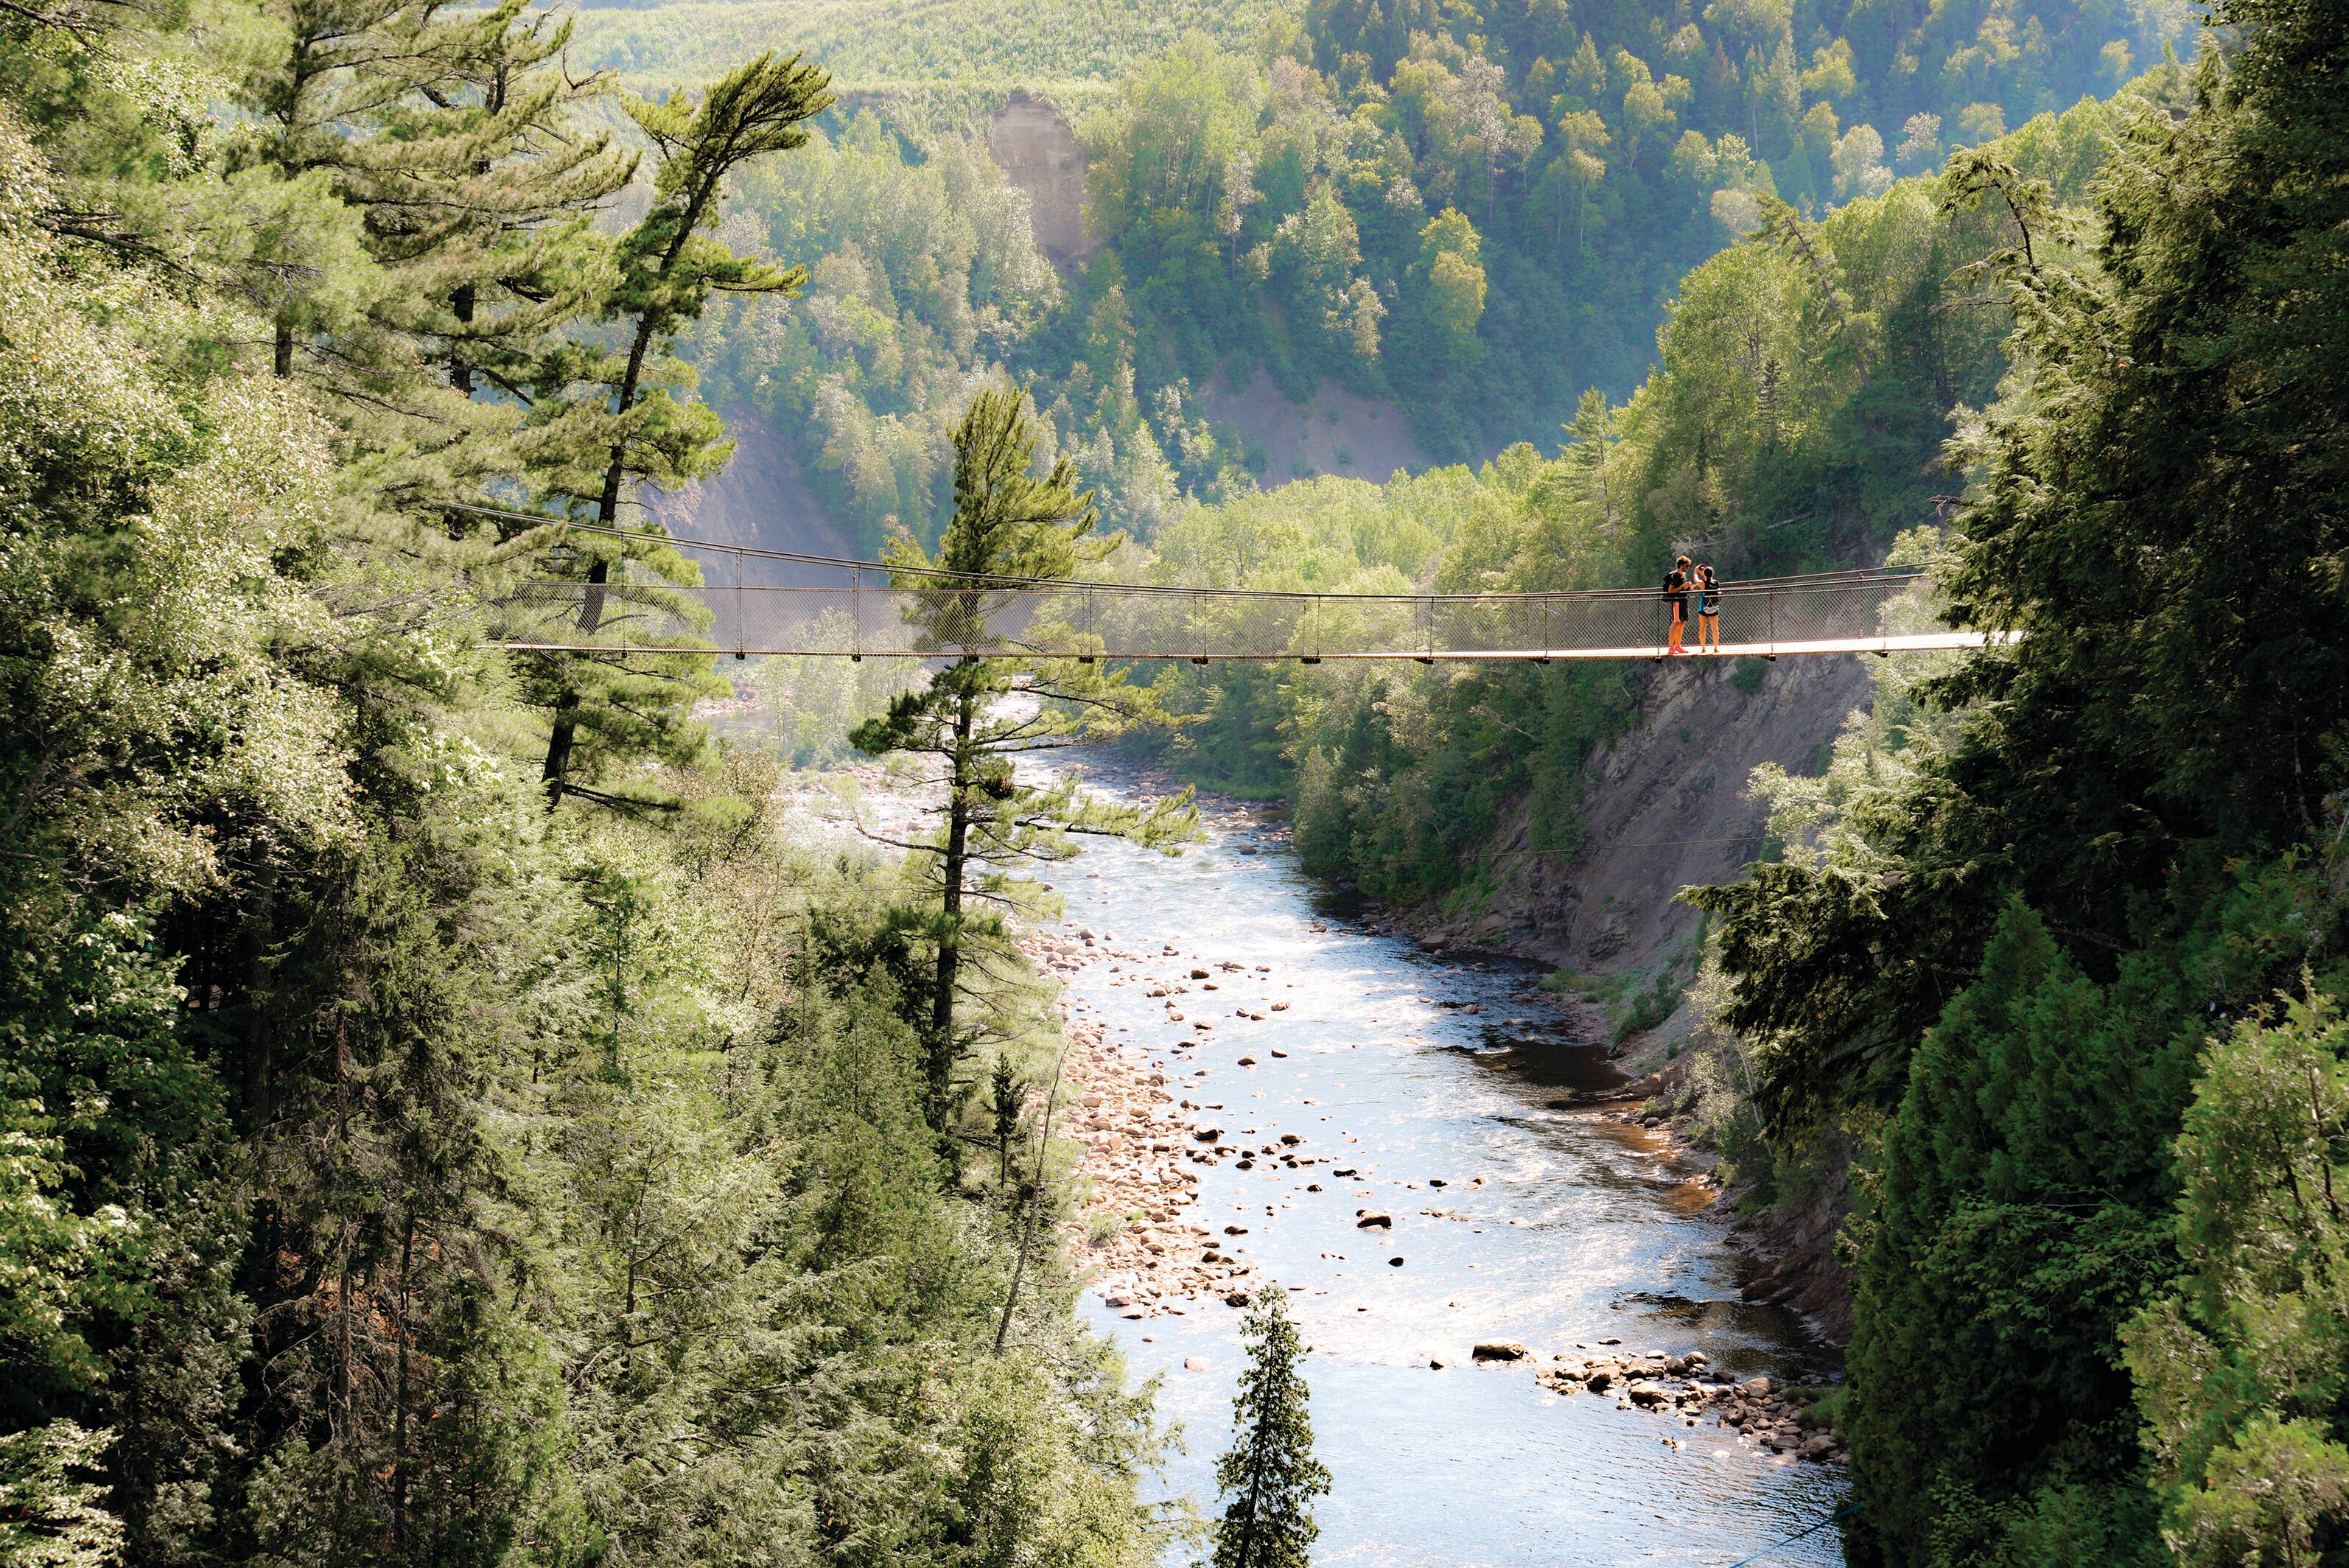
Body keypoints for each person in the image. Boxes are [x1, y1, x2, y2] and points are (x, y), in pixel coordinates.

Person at [1662, 555, 1692, 655]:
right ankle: (1671, 647)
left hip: (1684, 601)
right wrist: (1682, 587)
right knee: (1676, 622)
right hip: (1677, 602)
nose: (1688, 568)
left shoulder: (1683, 576)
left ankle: (1678, 646)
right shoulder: (1675, 576)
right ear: (1681, 565)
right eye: (1687, 566)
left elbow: (1683, 588)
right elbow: (1671, 591)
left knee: (1682, 623)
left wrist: (1689, 588)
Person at [1695, 563, 1722, 651]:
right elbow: (1711, 580)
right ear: (1713, 574)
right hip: (1714, 607)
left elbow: (1696, 580)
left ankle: (1703, 648)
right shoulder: (1716, 583)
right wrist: (1705, 574)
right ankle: (1716, 647)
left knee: (1703, 627)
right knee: (1715, 627)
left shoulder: (1703, 584)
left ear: (1705, 575)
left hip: (1703, 607)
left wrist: (1696, 571)